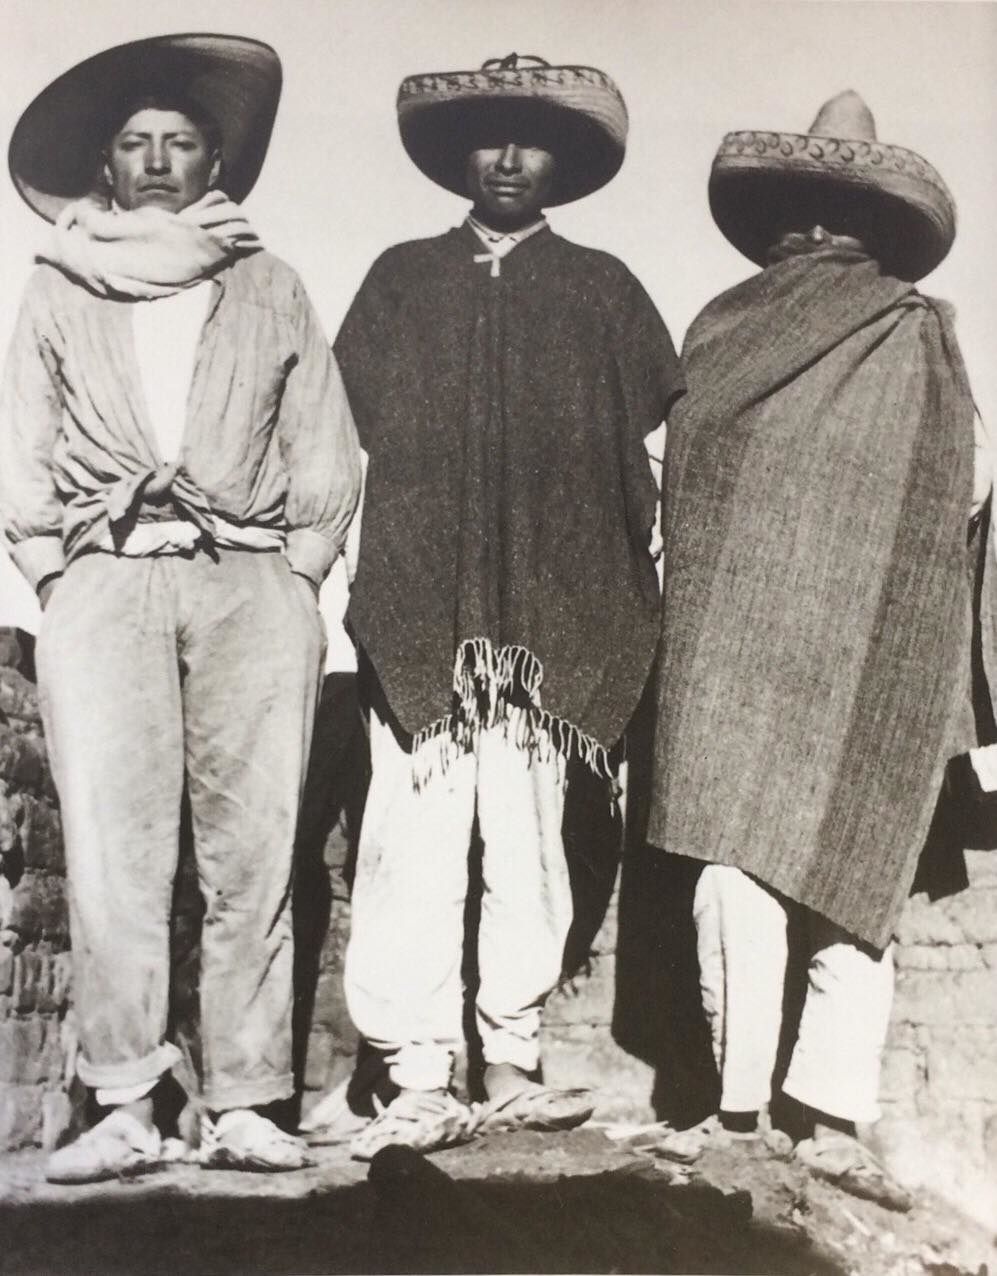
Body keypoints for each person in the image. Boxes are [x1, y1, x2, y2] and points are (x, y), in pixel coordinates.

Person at [0, 33, 361, 1182]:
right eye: (135, 144)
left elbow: (327, 449)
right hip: (104, 581)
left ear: (218, 161)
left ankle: (250, 1098)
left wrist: (294, 576)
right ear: (106, 165)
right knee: (115, 852)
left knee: (253, 848)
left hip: (248, 580)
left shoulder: (267, 283)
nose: (158, 161)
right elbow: (24, 447)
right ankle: (125, 1102)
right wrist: (58, 575)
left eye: (181, 143)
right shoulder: (58, 284)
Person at [327, 53, 683, 1158]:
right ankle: (416, 1070)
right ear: (458, 155)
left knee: (528, 842)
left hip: (550, 618)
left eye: (531, 141)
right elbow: (345, 437)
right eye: (489, 139)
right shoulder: (399, 282)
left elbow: (648, 460)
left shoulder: (604, 291)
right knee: (414, 839)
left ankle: (514, 1056)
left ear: (562, 159)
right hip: (424, 606)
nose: (510, 160)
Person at [643, 91, 987, 1208]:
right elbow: (685, 478)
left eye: (841, 218)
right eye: (802, 213)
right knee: (739, 869)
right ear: (777, 217)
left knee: (856, 874)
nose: (817, 237)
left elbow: (961, 486)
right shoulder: (723, 327)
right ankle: (744, 1112)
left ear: (875, 228)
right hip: (739, 639)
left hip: (869, 641)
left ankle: (827, 1117)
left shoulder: (915, 333)